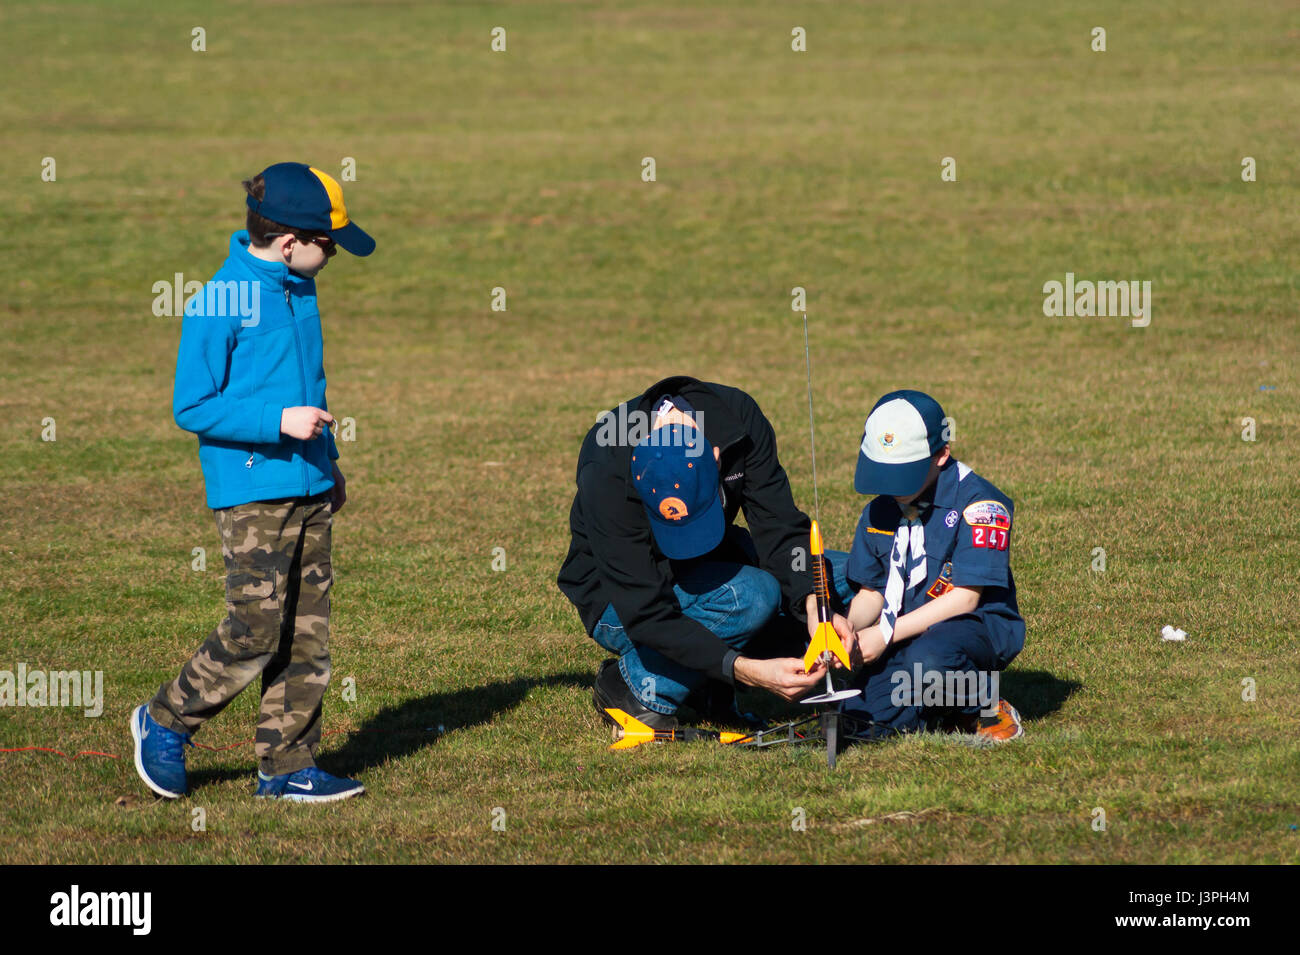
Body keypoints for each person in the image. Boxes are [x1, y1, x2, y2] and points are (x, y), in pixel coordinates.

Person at [130, 162, 376, 802]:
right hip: (252, 490)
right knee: (256, 628)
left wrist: (330, 461)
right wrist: (278, 423)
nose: (334, 255)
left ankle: (287, 765)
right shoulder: (220, 299)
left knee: (307, 632)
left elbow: (310, 390)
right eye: (329, 243)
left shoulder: (299, 288)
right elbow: (193, 405)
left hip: (309, 482)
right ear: (292, 241)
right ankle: (165, 721)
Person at [557, 376, 856, 730]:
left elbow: (779, 527)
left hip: (714, 563)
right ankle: (632, 685)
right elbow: (644, 609)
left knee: (845, 575)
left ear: (715, 457)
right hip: (619, 594)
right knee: (752, 596)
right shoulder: (605, 466)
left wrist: (812, 600)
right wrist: (745, 672)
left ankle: (702, 683)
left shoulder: (739, 420)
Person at [839, 389, 1026, 741]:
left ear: (941, 454)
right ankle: (941, 708)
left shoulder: (982, 505)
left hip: (972, 626)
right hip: (908, 631)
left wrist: (884, 634)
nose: (891, 487)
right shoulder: (880, 508)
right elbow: (873, 591)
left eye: (903, 473)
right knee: (860, 721)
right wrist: (846, 629)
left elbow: (966, 598)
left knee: (928, 662)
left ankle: (985, 706)